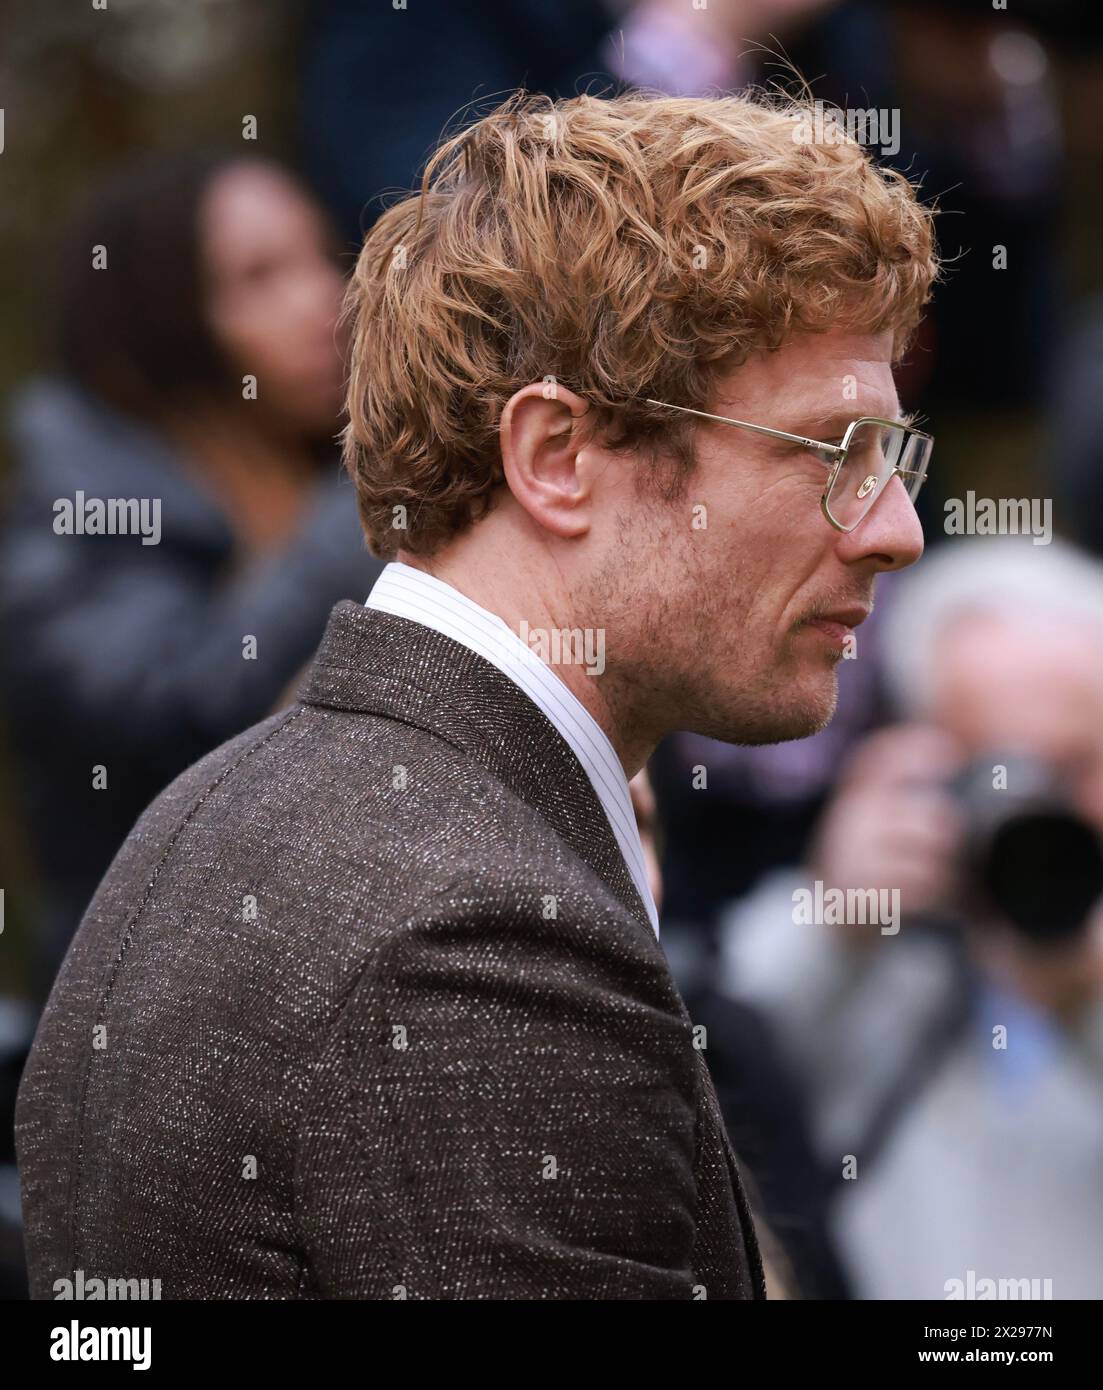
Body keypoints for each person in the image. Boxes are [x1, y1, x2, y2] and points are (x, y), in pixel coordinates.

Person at [16, 87, 936, 1299]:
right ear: (556, 457)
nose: (897, 530)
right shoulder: (476, 936)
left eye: (894, 455)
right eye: (831, 452)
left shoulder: (217, 812)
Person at [0, 152, 382, 991]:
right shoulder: (68, 522)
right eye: (259, 276)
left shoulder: (309, 477)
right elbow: (177, 714)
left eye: (321, 256)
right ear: (157, 319)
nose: (324, 298)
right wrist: (369, 492)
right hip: (144, 1012)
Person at [718, 537, 1103, 1297]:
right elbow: (711, 1071)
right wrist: (834, 915)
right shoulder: (868, 946)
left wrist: (1079, 981)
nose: (1030, 807)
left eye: (1072, 768)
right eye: (996, 767)